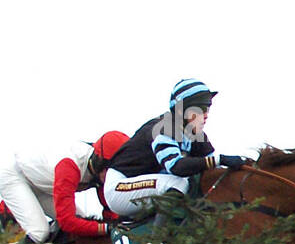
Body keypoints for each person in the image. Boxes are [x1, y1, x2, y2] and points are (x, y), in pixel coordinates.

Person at [105, 79, 247, 219]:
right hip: (119, 188)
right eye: (202, 109)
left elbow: (214, 172)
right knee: (177, 182)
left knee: (193, 183)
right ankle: (158, 240)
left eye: (208, 108)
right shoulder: (164, 128)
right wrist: (220, 159)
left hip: (145, 185)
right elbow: (176, 167)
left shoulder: (197, 135)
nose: (206, 115)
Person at [0, 131, 130, 244]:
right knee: (39, 232)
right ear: (99, 161)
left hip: (42, 182)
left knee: (83, 219)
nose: (112, 175)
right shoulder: (69, 167)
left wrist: (115, 224)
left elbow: (110, 210)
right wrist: (107, 228)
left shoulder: (97, 165)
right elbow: (67, 221)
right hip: (15, 176)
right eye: (110, 168)